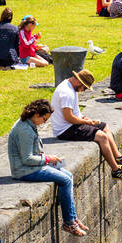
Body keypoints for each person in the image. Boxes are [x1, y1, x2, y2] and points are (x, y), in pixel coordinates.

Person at [8, 100, 86, 235]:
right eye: (44, 119)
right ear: (36, 114)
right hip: (25, 170)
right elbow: (27, 159)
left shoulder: (28, 124)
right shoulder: (25, 130)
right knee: (65, 180)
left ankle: (73, 217)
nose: (44, 122)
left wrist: (48, 157)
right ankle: (69, 223)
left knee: (69, 175)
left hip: (32, 166)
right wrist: (48, 159)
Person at [49, 69, 122, 179]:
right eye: (84, 87)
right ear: (79, 82)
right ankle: (116, 170)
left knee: (104, 126)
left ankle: (119, 157)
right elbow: (69, 117)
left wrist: (84, 118)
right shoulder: (66, 93)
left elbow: (75, 112)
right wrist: (86, 122)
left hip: (71, 124)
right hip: (65, 129)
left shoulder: (70, 87)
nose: (84, 90)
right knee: (102, 137)